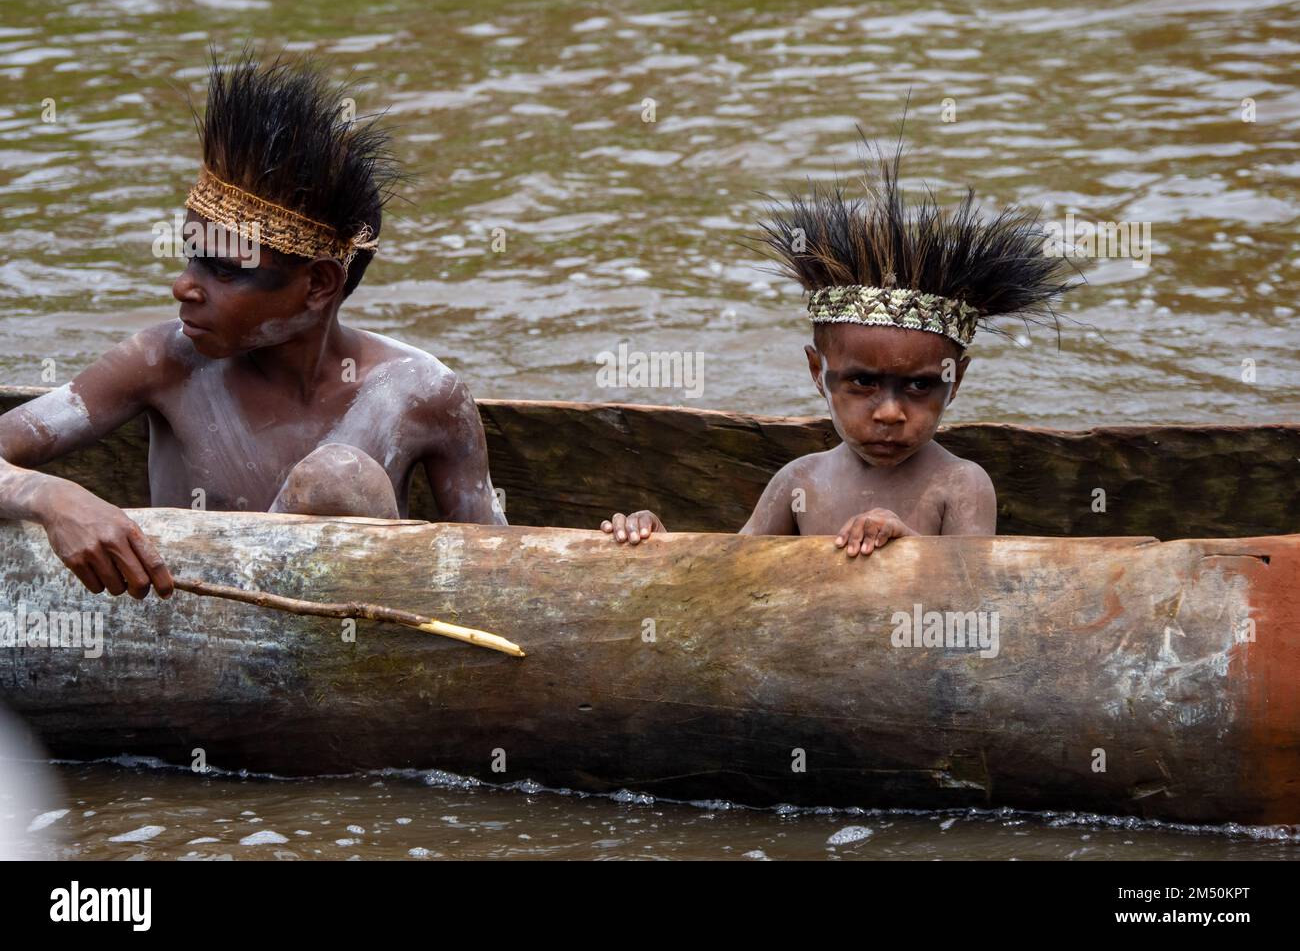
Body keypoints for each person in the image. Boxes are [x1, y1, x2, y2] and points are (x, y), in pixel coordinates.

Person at [0, 48, 506, 601]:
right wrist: (51, 498)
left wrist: (616, 539)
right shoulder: (164, 361)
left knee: (338, 479)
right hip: (188, 645)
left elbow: (501, 567)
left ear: (317, 286)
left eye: (222, 270)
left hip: (350, 662)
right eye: (190, 256)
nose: (184, 287)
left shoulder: (421, 392)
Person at [601, 142, 1074, 556]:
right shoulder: (799, 482)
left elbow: (970, 590)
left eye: (919, 385)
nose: (890, 413)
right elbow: (727, 566)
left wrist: (906, 541)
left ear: (956, 381)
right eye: (862, 382)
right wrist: (661, 543)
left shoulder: (960, 484)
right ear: (816, 371)